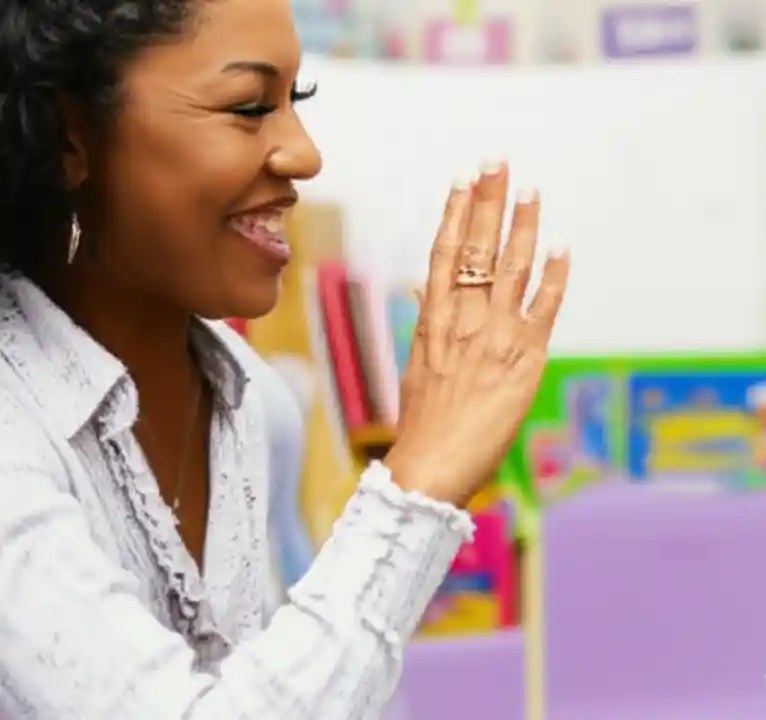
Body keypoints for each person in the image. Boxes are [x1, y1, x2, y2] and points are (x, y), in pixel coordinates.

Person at [0, 0, 569, 717]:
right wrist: (419, 482)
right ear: (68, 135)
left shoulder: (257, 406)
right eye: (248, 105)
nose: (304, 152)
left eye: (294, 101)